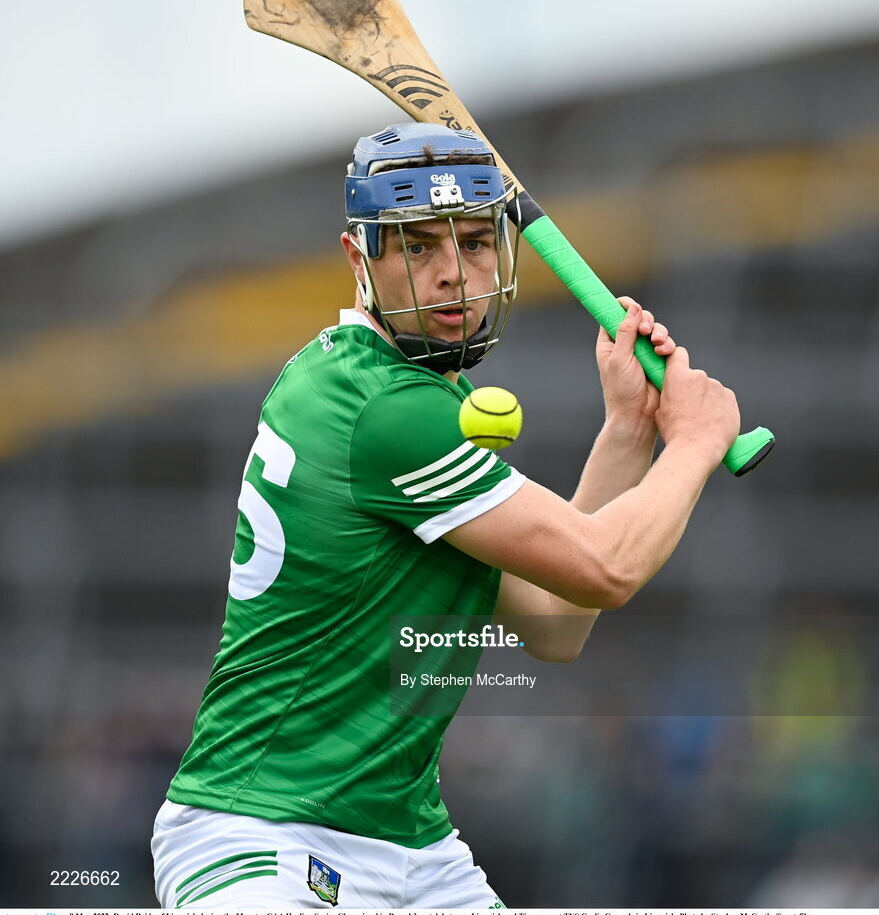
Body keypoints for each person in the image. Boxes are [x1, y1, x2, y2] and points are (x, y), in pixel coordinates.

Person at [151, 123, 740, 908]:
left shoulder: (412, 396)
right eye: (417, 247)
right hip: (265, 835)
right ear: (360, 260)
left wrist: (629, 433)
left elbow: (554, 621)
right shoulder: (390, 412)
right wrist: (694, 444)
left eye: (472, 242)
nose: (452, 275)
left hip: (415, 854)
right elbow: (608, 567)